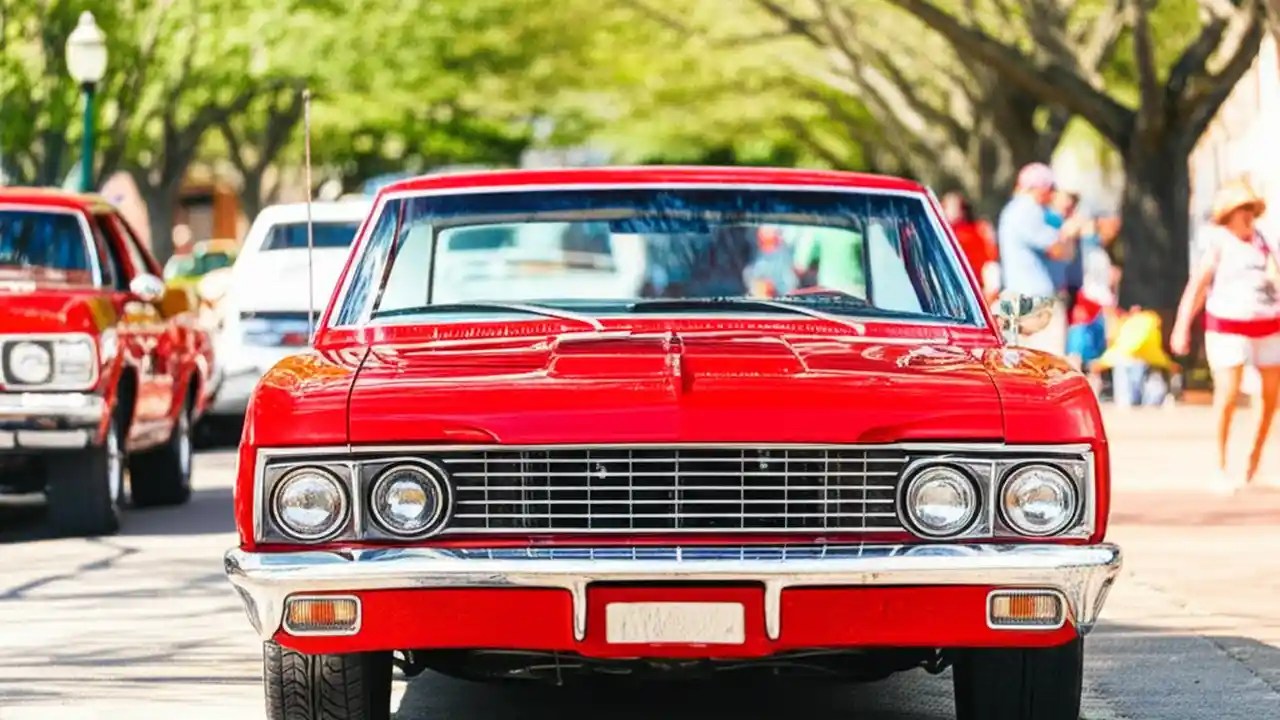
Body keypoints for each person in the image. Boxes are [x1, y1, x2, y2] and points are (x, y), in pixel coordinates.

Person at [1170, 179, 1280, 491]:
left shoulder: (1267, 240)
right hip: (1228, 327)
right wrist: (1182, 325)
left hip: (1269, 325)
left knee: (1271, 397)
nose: (1246, 215)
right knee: (1228, 394)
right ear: (1228, 215)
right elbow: (1198, 286)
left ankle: (1253, 462)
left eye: (1249, 209)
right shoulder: (1218, 243)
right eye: (1240, 210)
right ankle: (1219, 466)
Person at [996, 163, 1088, 355]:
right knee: (1049, 366)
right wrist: (1069, 232)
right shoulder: (1029, 209)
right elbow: (1057, 250)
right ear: (1041, 188)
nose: (1053, 195)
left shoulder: (1010, 211)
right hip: (1037, 301)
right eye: (1051, 189)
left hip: (1015, 299)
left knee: (1019, 365)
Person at [1092, 305, 1176, 407]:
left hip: (1130, 365)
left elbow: (1130, 347)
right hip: (1139, 365)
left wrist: (1103, 362)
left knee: (1127, 403)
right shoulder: (1144, 322)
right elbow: (1147, 349)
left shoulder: (1140, 322)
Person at [941, 192, 1000, 302]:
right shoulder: (940, 232)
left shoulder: (979, 228)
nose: (954, 211)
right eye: (949, 207)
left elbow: (991, 256)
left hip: (978, 282)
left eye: (957, 207)